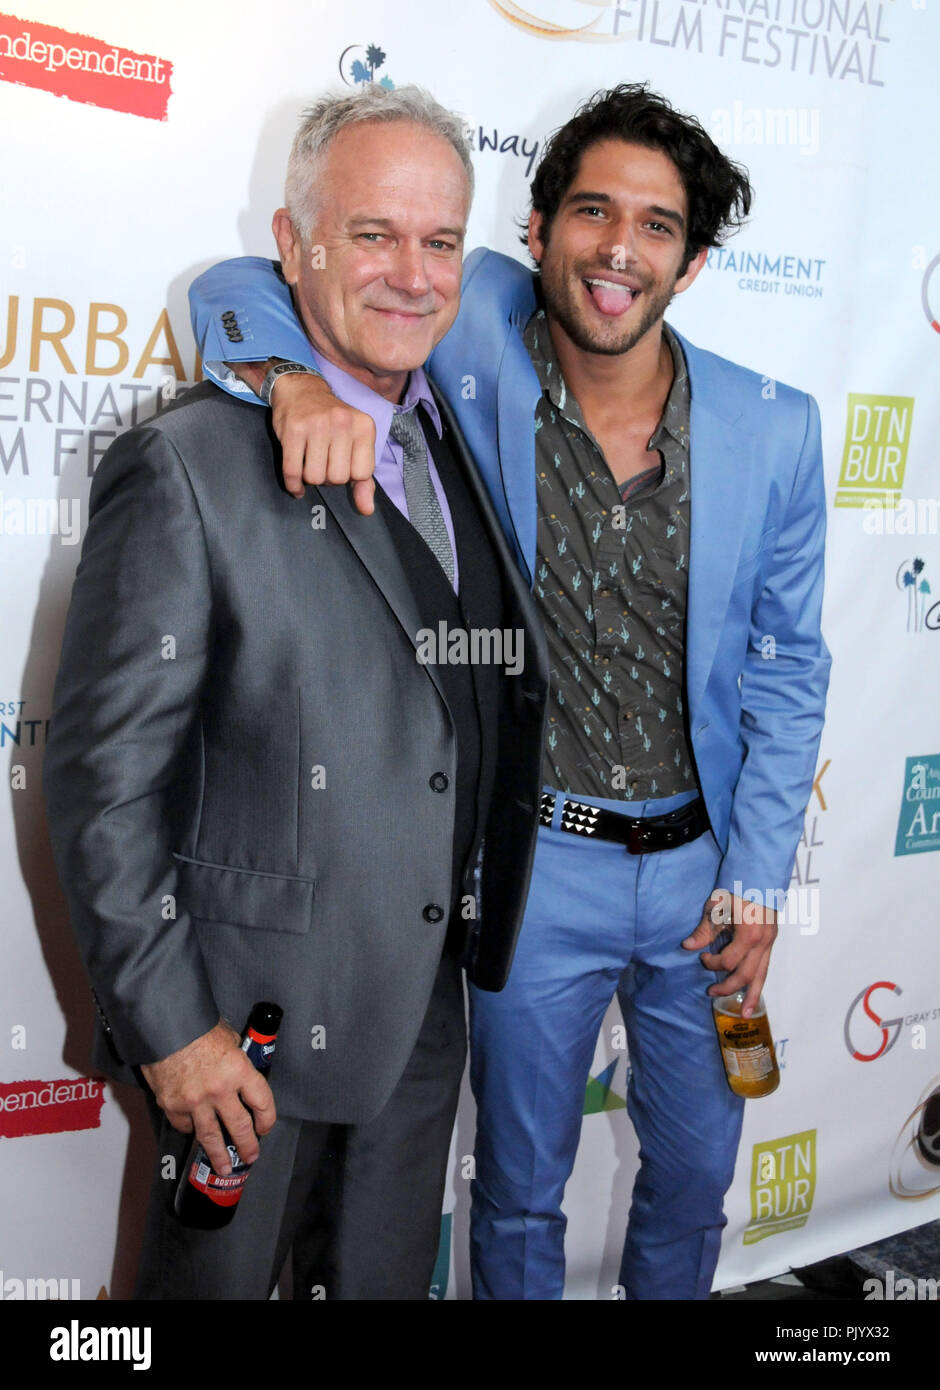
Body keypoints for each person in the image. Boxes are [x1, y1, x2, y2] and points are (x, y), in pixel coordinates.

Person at [188, 83, 830, 1300]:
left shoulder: (776, 429)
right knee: (520, 1188)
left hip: (703, 876)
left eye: (654, 226)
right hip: (540, 873)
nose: (616, 249)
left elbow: (789, 666)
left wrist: (757, 872)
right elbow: (231, 285)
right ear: (536, 231)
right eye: (591, 212)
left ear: (688, 264)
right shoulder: (471, 321)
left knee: (696, 1179)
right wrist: (289, 381)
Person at [42, 85, 548, 1301]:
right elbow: (103, 783)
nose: (412, 275)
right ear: (294, 244)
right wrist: (174, 1038)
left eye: (440, 242)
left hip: (421, 1017)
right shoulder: (190, 463)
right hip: (241, 1040)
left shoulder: (451, 430)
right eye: (372, 235)